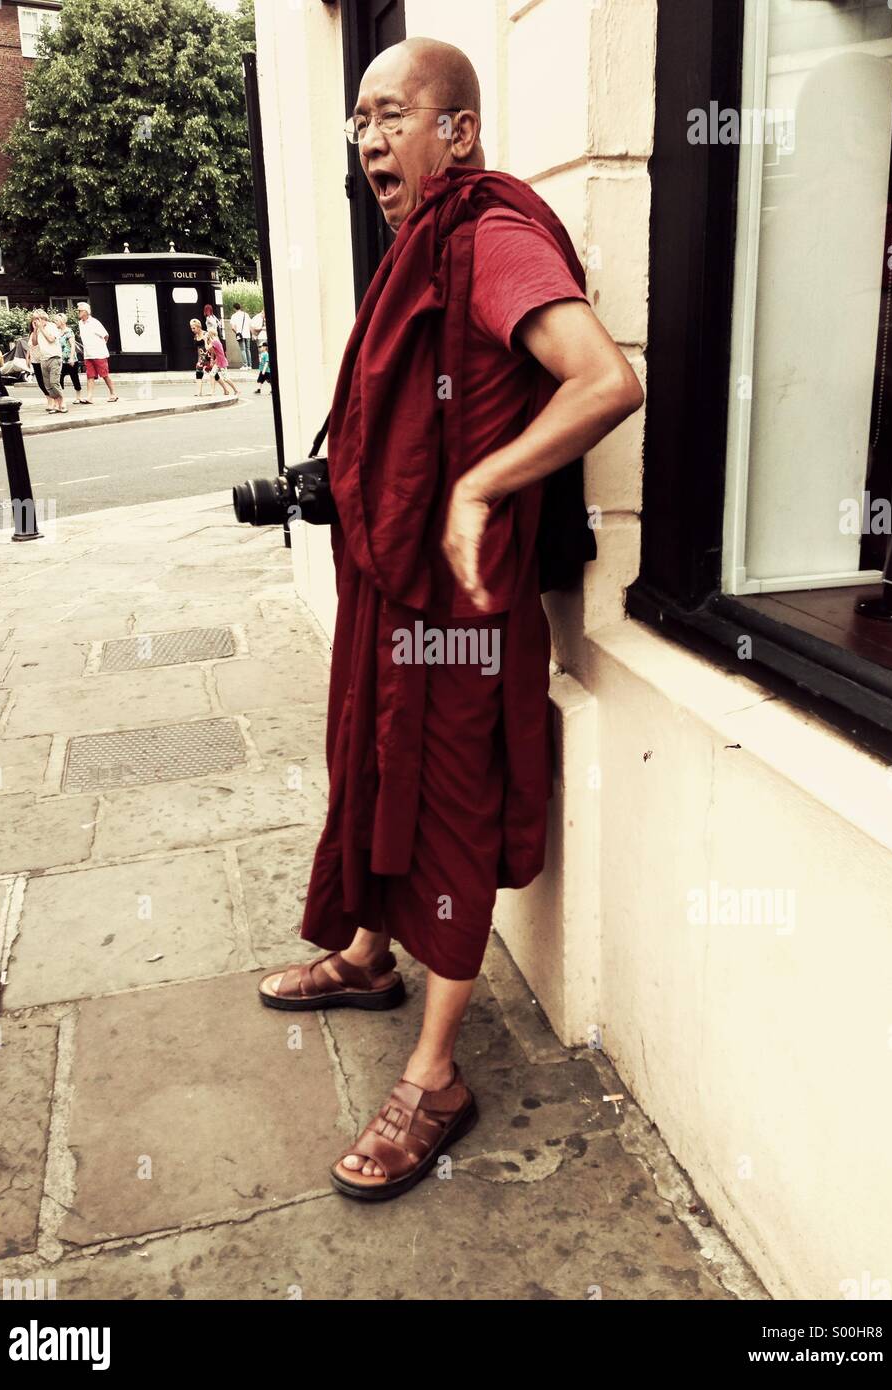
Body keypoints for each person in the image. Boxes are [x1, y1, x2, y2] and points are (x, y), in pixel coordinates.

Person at [256, 37, 644, 1199]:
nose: (368, 141)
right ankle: (368, 956)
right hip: (390, 590)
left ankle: (433, 1077)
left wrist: (478, 486)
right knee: (373, 770)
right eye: (358, 122)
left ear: (458, 131)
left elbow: (604, 380)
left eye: (391, 116)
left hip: (461, 610)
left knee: (448, 811)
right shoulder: (420, 242)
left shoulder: (492, 239)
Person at [76, 302, 118, 404]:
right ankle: (89, 397)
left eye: (79, 311)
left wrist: (100, 346)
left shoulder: (94, 322)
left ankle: (113, 394)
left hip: (99, 354)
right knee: (90, 375)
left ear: (85, 311)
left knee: (104, 374)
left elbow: (105, 335)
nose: (78, 312)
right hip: (88, 354)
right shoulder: (80, 323)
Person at [29, 309, 66, 414]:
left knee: (54, 382)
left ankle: (62, 403)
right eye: (34, 319)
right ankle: (56, 404)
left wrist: (41, 328)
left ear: (42, 318)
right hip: (43, 359)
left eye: (36, 319)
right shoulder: (37, 329)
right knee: (48, 385)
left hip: (54, 357)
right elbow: (34, 343)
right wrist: (35, 330)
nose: (35, 321)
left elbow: (51, 339)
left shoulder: (52, 326)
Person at [54, 313, 84, 405]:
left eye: (56, 321)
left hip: (70, 359)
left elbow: (72, 345)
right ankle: (61, 398)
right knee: (59, 379)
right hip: (60, 360)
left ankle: (78, 397)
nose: (55, 322)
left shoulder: (69, 331)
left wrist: (71, 358)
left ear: (62, 321)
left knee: (74, 377)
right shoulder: (56, 332)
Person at [229, 302, 252, 368]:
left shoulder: (234, 316)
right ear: (240, 307)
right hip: (247, 334)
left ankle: (245, 365)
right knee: (248, 349)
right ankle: (250, 365)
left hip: (240, 335)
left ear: (234, 308)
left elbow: (233, 328)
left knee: (243, 350)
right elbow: (250, 324)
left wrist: (237, 333)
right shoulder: (246, 314)